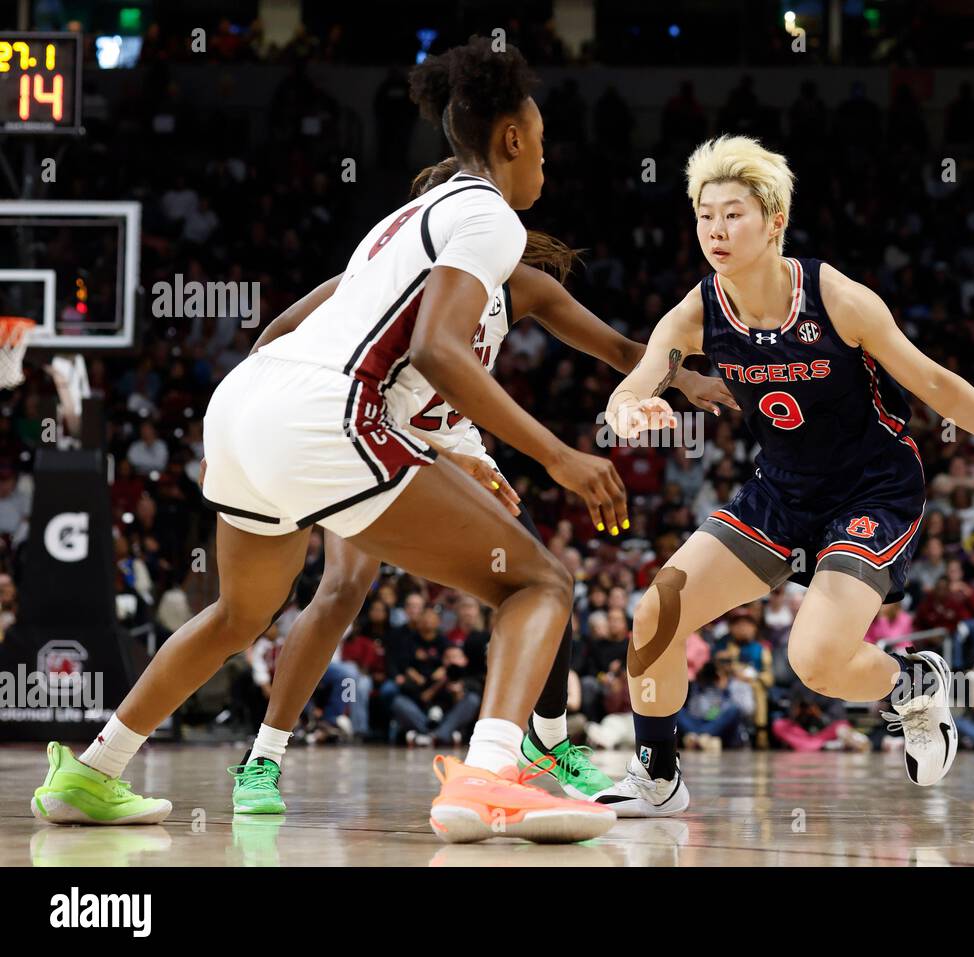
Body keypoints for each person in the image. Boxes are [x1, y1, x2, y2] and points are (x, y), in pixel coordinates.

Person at [32, 38, 620, 845]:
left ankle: (94, 769)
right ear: (513, 138)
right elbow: (437, 353)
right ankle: (492, 777)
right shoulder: (488, 213)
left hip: (245, 405)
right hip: (323, 414)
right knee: (539, 582)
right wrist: (560, 453)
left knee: (239, 615)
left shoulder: (400, 220)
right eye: (544, 147)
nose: (544, 165)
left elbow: (287, 331)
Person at [223, 156, 735, 813]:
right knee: (344, 586)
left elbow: (615, 348)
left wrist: (683, 377)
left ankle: (544, 741)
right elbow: (274, 336)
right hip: (375, 423)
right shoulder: (377, 275)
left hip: (456, 440)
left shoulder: (516, 285)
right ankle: (263, 758)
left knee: (539, 572)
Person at [596, 135, 974, 815]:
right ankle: (658, 778)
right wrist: (628, 411)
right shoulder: (697, 312)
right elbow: (639, 380)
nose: (716, 230)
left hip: (873, 488)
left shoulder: (837, 298)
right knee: (657, 609)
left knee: (815, 660)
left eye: (733, 214)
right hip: (782, 491)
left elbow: (936, 383)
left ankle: (910, 681)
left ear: (774, 221)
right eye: (706, 215)